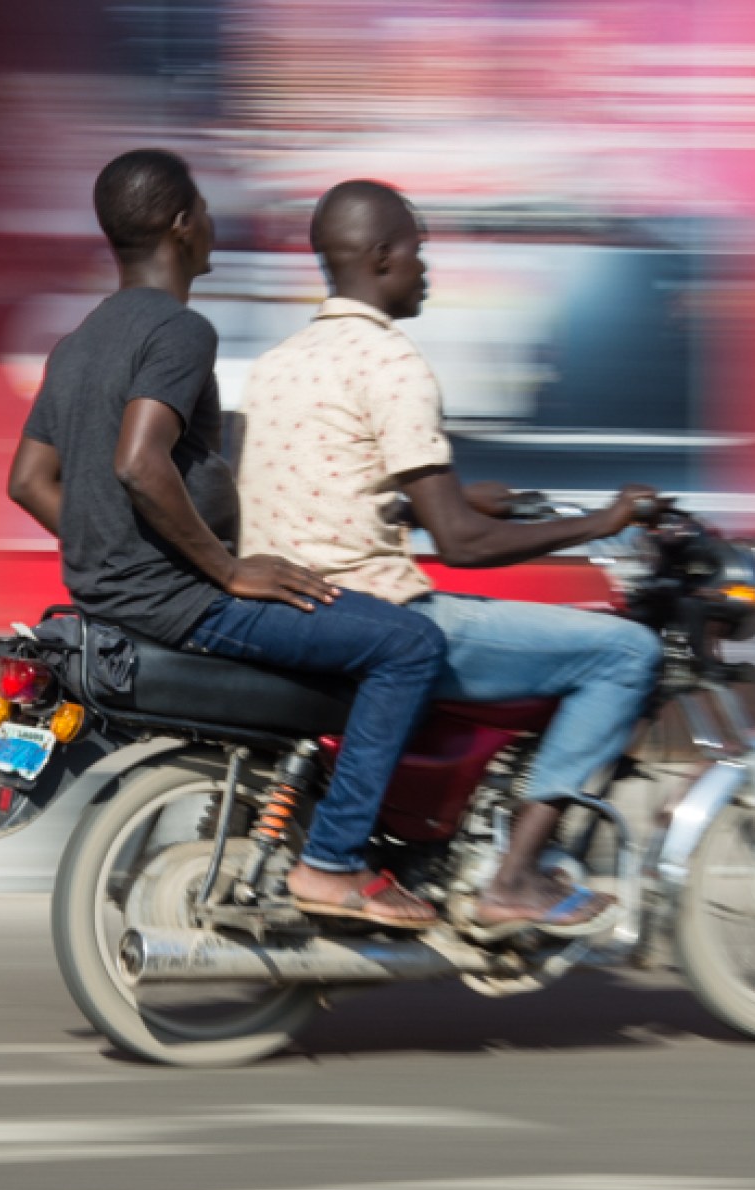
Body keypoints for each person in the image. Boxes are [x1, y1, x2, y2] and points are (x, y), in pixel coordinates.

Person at [8, 151, 446, 930]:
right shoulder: (179, 330)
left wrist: (109, 542)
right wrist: (227, 569)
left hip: (113, 601)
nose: (212, 223)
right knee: (408, 645)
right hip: (187, 604)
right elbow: (140, 462)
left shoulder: (77, 343)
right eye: (204, 209)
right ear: (181, 225)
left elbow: (29, 482)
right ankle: (335, 864)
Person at [234, 179, 663, 937]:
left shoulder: (280, 363)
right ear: (379, 257)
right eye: (417, 253)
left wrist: (448, 500)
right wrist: (605, 520)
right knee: (624, 651)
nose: (426, 270)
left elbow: (332, 494)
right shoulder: (393, 363)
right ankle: (517, 877)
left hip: (291, 612)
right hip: (377, 612)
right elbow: (464, 546)